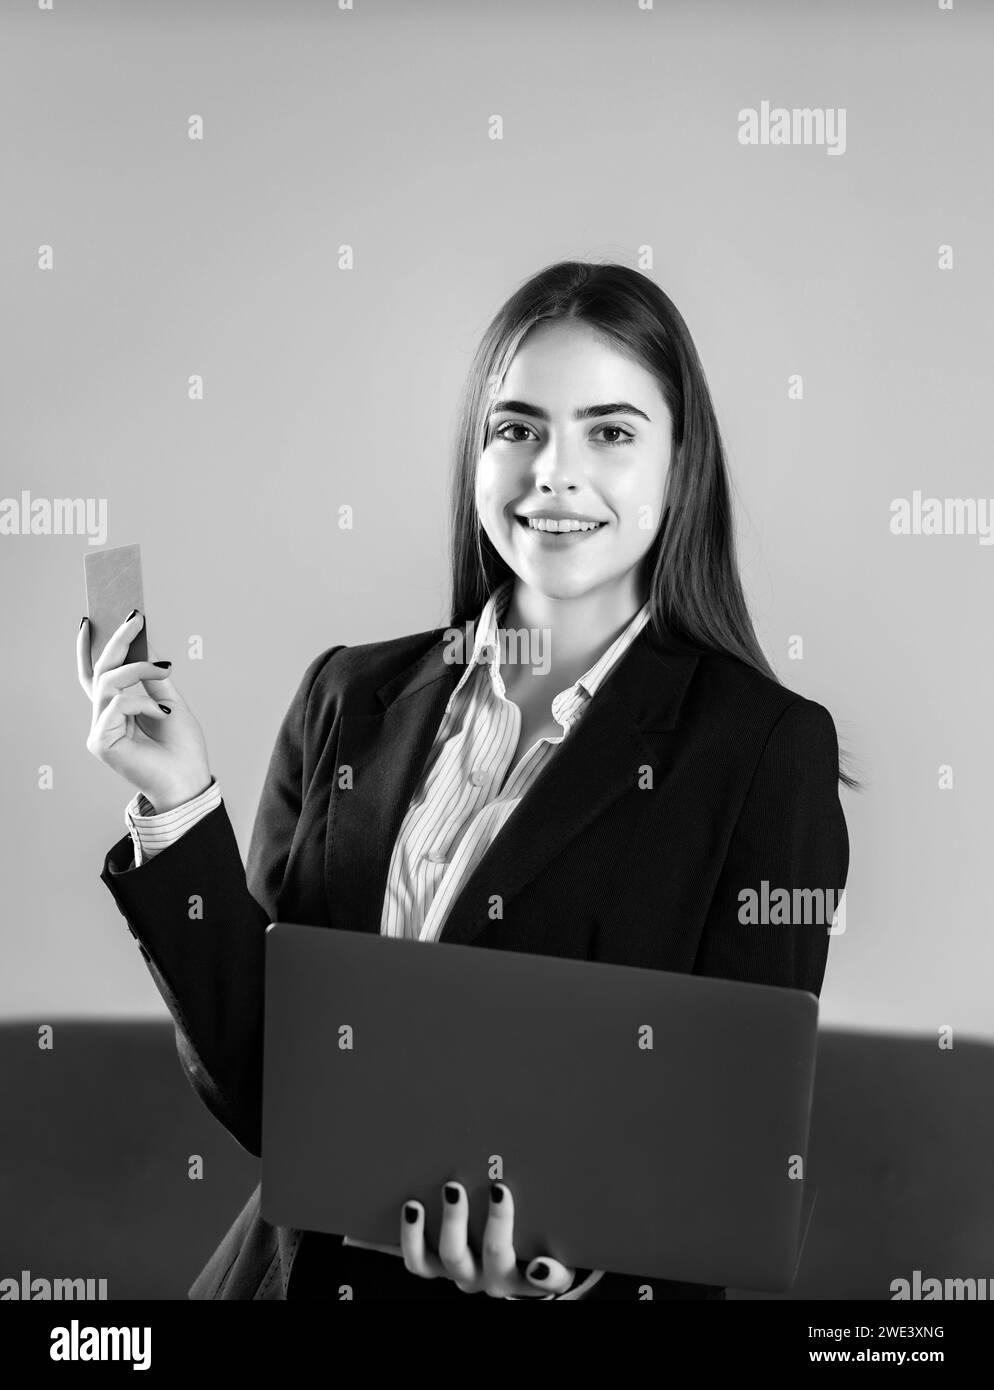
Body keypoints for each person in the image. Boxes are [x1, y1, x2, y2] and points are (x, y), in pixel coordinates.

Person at [78, 260, 851, 1300]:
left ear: (680, 466)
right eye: (517, 429)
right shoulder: (349, 696)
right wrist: (178, 806)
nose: (553, 474)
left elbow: (730, 1154)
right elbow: (270, 1084)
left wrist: (571, 1272)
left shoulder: (763, 751)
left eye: (611, 433)